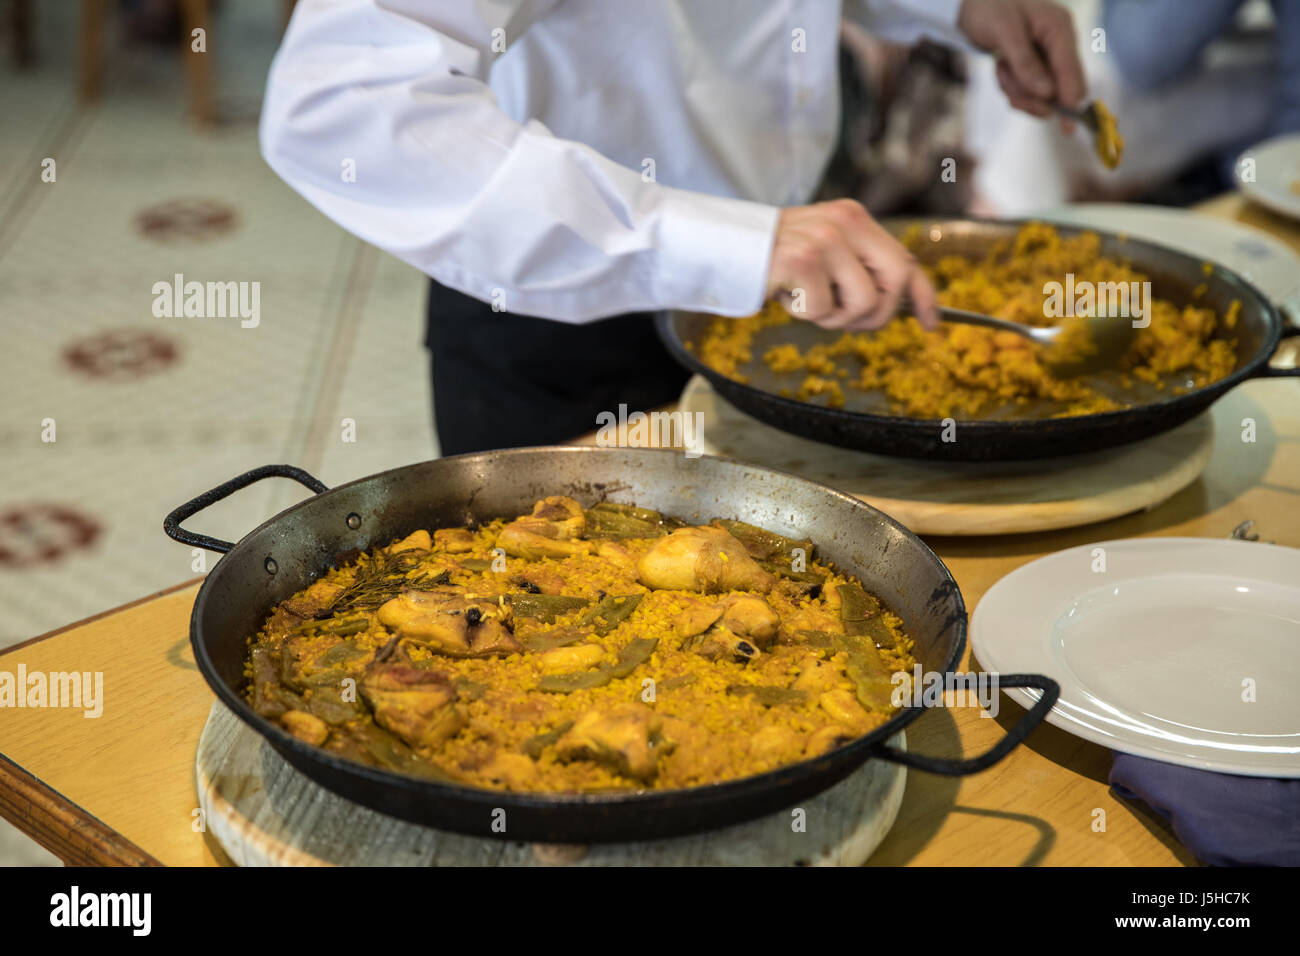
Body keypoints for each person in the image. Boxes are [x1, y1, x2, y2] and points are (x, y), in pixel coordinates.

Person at [261, 0, 1084, 454]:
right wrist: (722, 243)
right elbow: (341, 102)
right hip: (560, 314)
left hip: (767, 302)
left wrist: (960, 6)